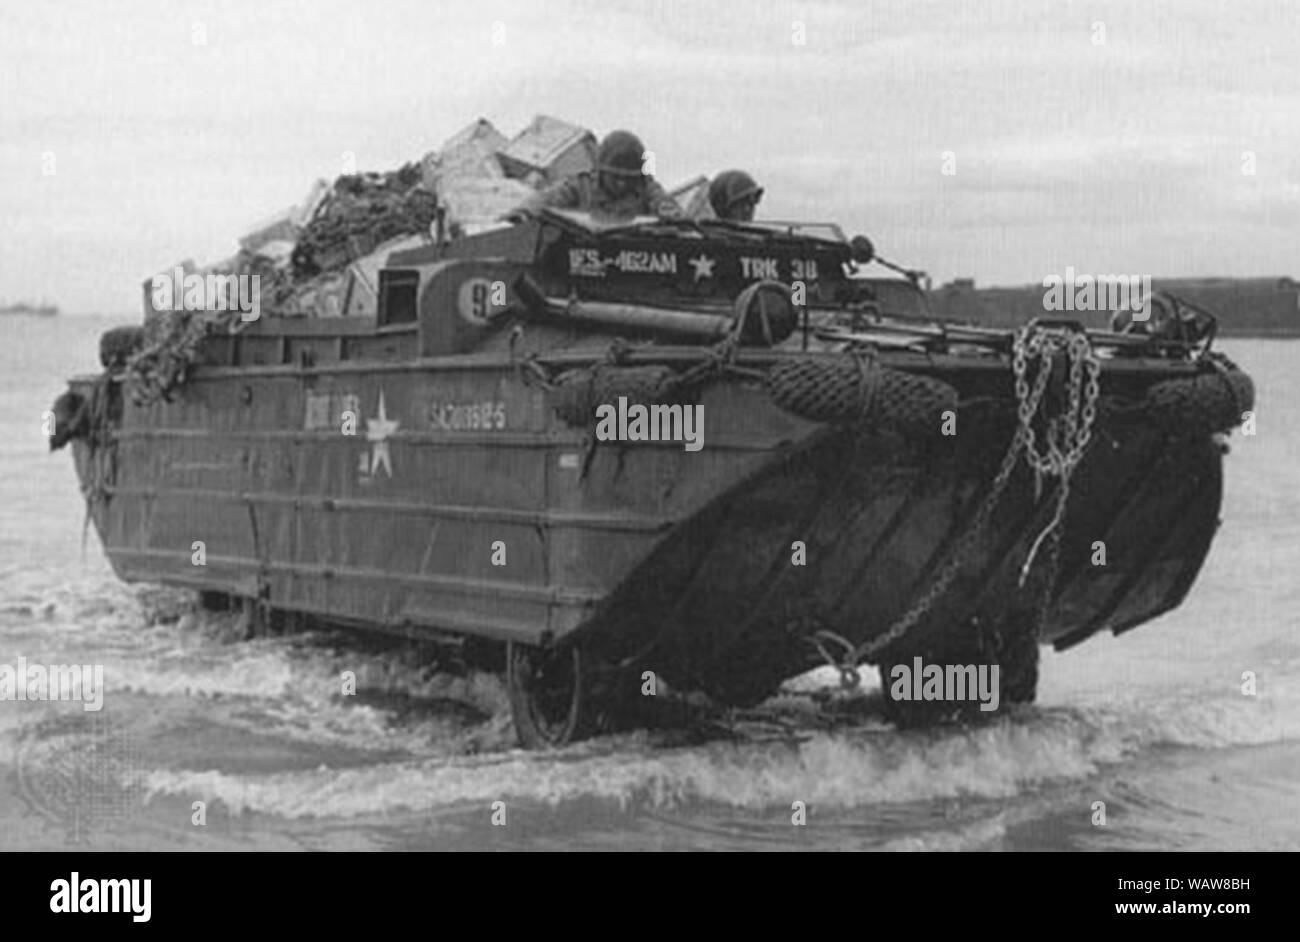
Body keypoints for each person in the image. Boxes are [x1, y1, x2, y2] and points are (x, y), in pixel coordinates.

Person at [511, 130, 683, 219]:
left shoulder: (646, 188)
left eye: (628, 179)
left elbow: (666, 206)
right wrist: (525, 212)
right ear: (601, 172)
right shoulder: (581, 186)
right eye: (615, 177)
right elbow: (547, 199)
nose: (621, 184)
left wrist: (672, 216)